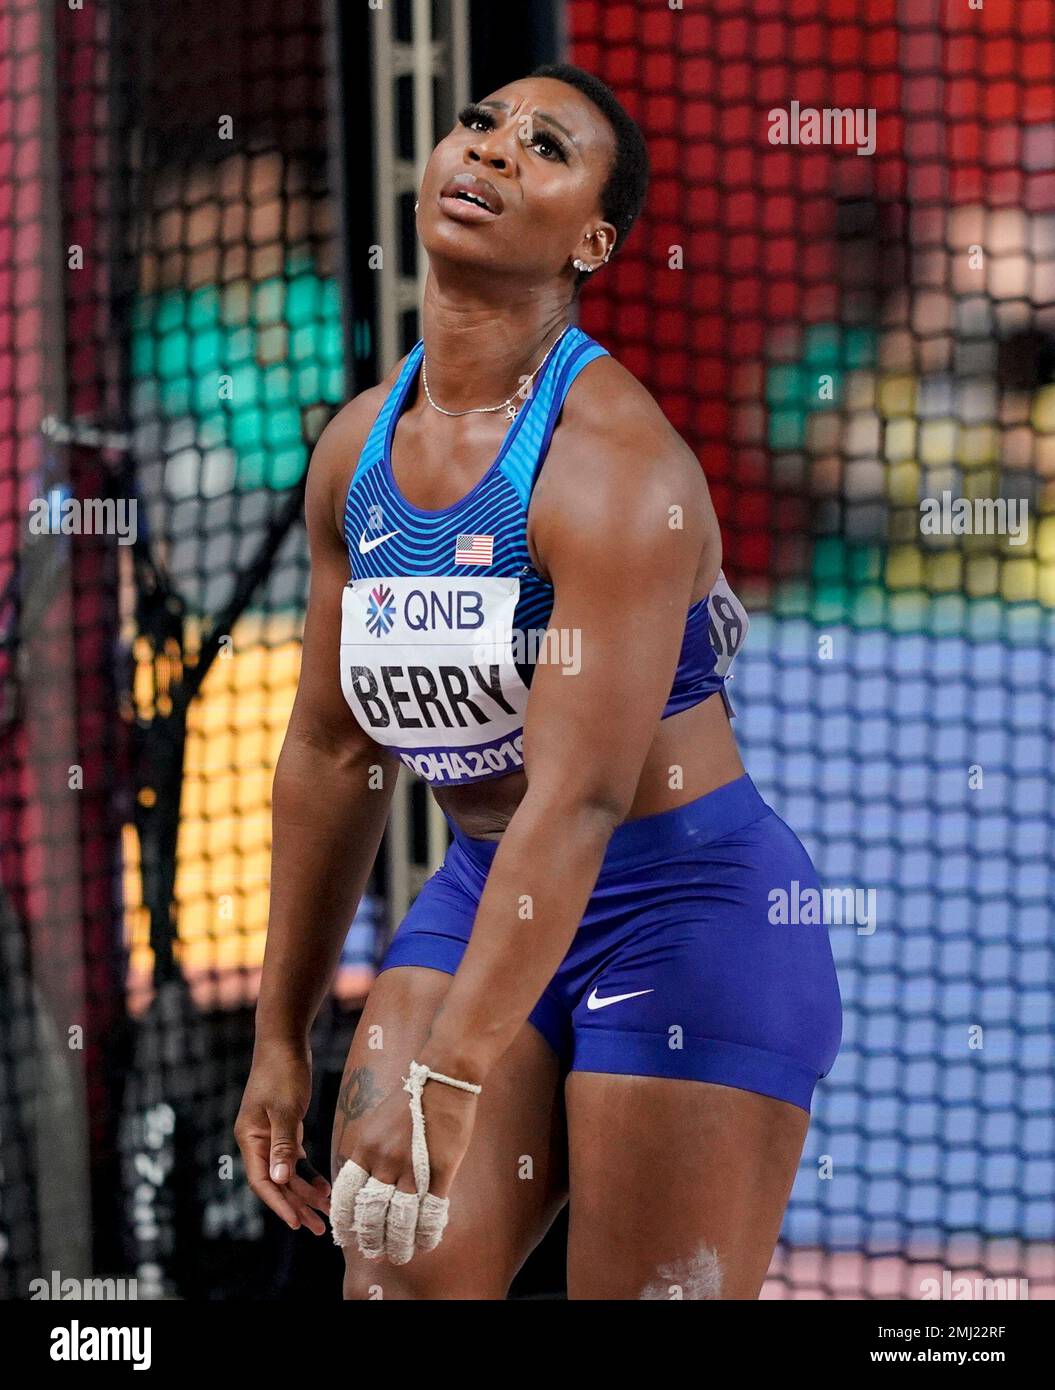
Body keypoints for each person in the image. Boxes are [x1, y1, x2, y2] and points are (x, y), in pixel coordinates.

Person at [235, 63, 842, 1300]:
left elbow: (574, 799)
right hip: (480, 894)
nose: (493, 151)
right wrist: (278, 1034)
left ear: (593, 240)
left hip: (680, 915)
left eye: (544, 146)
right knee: (395, 1275)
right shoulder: (356, 447)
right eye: (479, 124)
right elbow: (333, 754)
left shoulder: (617, 470)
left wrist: (449, 1075)